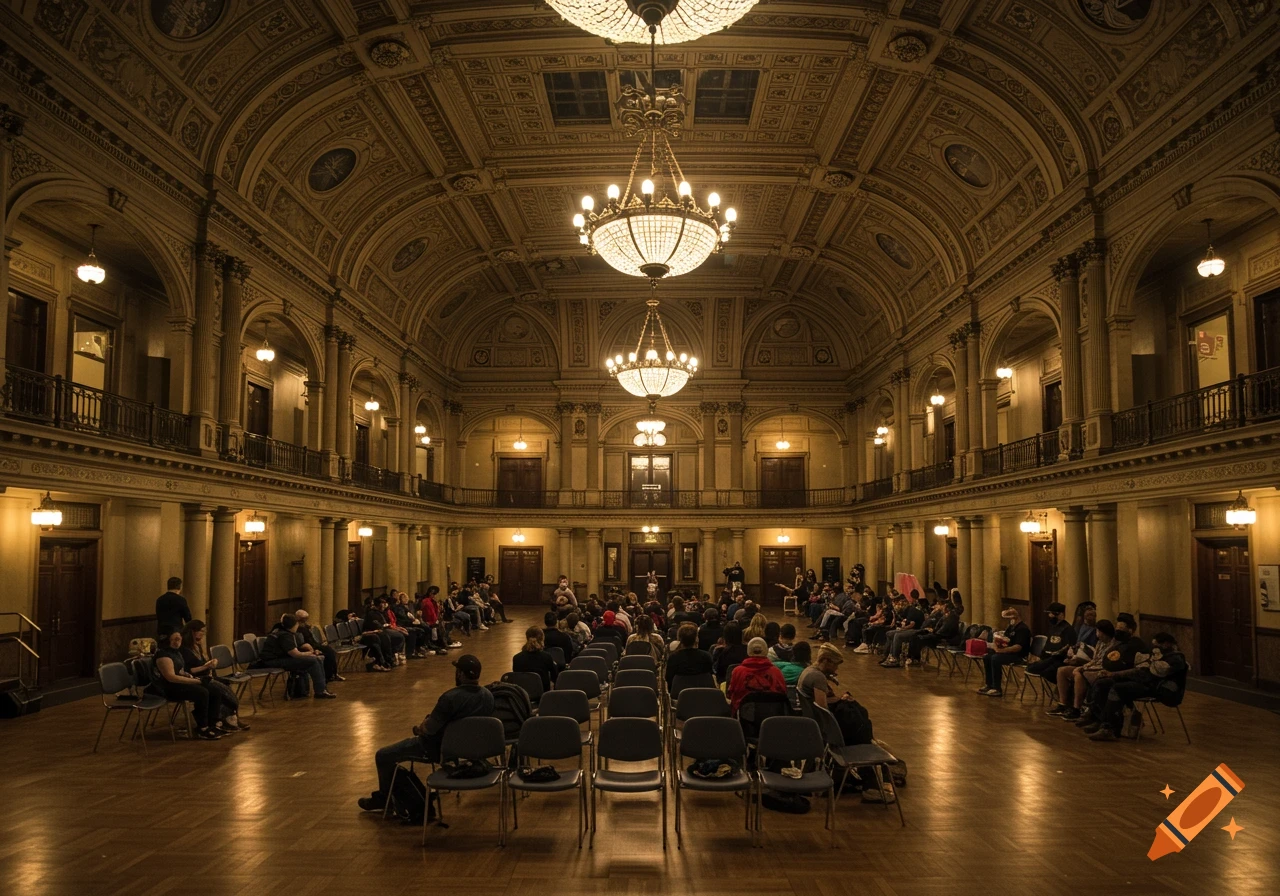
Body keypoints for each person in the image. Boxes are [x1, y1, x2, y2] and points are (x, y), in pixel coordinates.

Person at [359, 655, 495, 813]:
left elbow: (429, 729)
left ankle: (385, 798)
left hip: (437, 749)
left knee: (383, 755)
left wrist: (420, 727)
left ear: (460, 674)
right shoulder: (488, 696)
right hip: (473, 751)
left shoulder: (450, 698)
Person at [1087, 632, 1188, 742]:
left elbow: (1155, 672)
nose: (1154, 648)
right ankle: (1100, 719)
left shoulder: (1176, 658)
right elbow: (1141, 669)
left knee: (1118, 688)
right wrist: (1114, 674)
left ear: (1166, 644)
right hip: (1145, 683)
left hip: (1158, 689)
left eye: (1157, 645)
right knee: (1103, 684)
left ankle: (1109, 728)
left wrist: (1152, 661)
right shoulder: (1157, 655)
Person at [151, 627, 226, 739]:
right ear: (167, 641)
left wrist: (188, 675)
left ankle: (212, 724)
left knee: (215, 690)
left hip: (179, 683)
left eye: (179, 639)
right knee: (202, 692)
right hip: (168, 688)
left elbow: (180, 670)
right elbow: (171, 677)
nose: (177, 642)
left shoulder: (176, 653)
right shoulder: (163, 655)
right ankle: (202, 728)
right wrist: (196, 681)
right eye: (174, 639)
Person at [177, 620, 249, 732]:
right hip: (195, 679)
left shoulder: (196, 646)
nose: (202, 634)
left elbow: (202, 663)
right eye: (201, 631)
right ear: (192, 632)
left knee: (226, 683)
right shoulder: (184, 650)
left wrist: (211, 663)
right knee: (217, 691)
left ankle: (229, 717)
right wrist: (206, 666)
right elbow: (189, 670)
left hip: (205, 676)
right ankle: (220, 720)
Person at [1048, 619, 1116, 720]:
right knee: (1062, 670)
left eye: (1098, 631)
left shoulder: (1113, 645)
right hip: (1092, 666)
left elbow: (1102, 664)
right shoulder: (1100, 643)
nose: (1097, 634)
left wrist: (1083, 668)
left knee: (1078, 674)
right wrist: (1082, 666)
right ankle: (1063, 704)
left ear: (1103, 632)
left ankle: (1076, 708)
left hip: (1101, 670)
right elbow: (1094, 660)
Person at [255, 614, 335, 699]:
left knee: (317, 659)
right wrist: (310, 653)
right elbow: (296, 654)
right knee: (313, 660)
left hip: (280, 658)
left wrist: (308, 649)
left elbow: (298, 645)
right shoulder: (284, 635)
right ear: (294, 625)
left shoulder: (284, 632)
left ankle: (322, 689)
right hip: (271, 661)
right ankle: (320, 691)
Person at [978, 607, 1031, 697]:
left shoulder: (1023, 629)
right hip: (1008, 652)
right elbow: (1005, 639)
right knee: (987, 656)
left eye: (1010, 618)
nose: (1009, 621)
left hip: (1018, 655)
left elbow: (1018, 647)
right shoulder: (1011, 627)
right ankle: (989, 684)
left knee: (995, 659)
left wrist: (1002, 651)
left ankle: (997, 688)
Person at [727, 637, 787, 714]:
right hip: (771, 717)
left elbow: (730, 694)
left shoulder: (737, 671)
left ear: (748, 651)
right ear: (766, 651)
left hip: (744, 719)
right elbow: (783, 694)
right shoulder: (776, 672)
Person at [1026, 602, 1078, 683]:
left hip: (1060, 660)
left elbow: (1070, 648)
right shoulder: (1053, 628)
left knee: (1047, 672)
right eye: (1049, 613)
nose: (1050, 616)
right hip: (1049, 658)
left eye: (1052, 614)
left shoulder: (1068, 629)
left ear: (1061, 615)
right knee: (1031, 668)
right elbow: (1048, 645)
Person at [797, 642, 852, 710]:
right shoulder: (818, 677)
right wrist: (841, 699)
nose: (836, 668)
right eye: (835, 664)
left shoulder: (809, 669)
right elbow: (822, 707)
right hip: (815, 714)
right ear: (825, 661)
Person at [294, 609, 345, 682]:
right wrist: (314, 650)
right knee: (327, 654)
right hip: (308, 647)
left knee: (329, 650)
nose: (306, 621)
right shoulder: (297, 628)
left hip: (314, 644)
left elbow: (311, 639)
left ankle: (333, 673)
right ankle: (328, 675)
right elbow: (302, 643)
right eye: (304, 619)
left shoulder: (305, 626)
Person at [664, 622, 713, 687]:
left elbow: (669, 679)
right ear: (696, 639)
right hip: (703, 692)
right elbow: (709, 677)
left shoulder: (673, 658)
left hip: (679, 693)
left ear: (679, 639)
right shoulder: (706, 656)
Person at [512, 626, 558, 691]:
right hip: (543, 693)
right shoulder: (546, 657)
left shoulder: (516, 658)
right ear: (542, 639)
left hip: (523, 694)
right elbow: (554, 676)